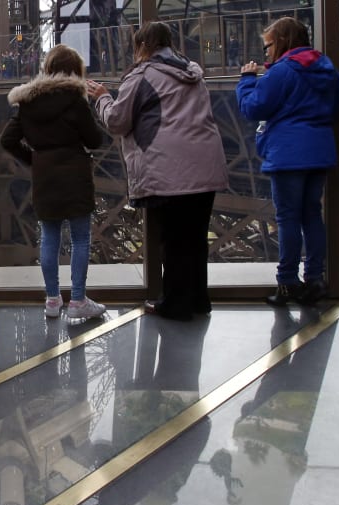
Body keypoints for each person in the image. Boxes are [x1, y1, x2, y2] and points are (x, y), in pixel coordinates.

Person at [87, 21, 228, 321]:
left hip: (169, 168)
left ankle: (175, 304)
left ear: (142, 46)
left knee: (173, 240)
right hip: (206, 163)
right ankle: (199, 300)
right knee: (195, 238)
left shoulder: (142, 75)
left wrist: (101, 96)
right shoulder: (192, 73)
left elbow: (116, 121)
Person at [235, 16, 339, 306]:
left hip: (288, 153)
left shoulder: (283, 71)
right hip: (319, 151)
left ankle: (287, 283)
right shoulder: (327, 69)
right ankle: (315, 280)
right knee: (311, 215)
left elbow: (253, 108)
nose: (267, 53)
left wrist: (247, 81)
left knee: (287, 218)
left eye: (268, 46)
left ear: (281, 41)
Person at [0, 44, 106, 320]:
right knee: (81, 239)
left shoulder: (27, 101)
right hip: (75, 173)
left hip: (45, 176)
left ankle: (52, 299)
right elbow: (94, 140)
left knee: (49, 237)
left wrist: (35, 158)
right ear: (75, 72)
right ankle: (79, 300)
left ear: (47, 69)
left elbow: (7, 140)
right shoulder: (75, 100)